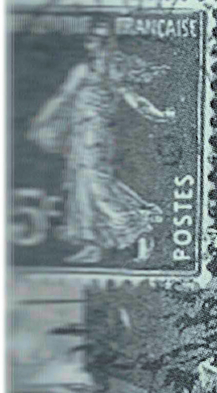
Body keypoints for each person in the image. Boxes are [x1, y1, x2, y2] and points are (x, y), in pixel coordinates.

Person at [25, 20, 174, 265]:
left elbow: (133, 99)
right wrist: (41, 120)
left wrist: (159, 115)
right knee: (80, 189)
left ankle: (139, 229)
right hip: (79, 138)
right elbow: (63, 98)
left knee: (97, 188)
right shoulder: (83, 71)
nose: (95, 44)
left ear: (109, 43)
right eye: (92, 39)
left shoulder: (111, 73)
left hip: (97, 139)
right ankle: (91, 245)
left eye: (101, 39)